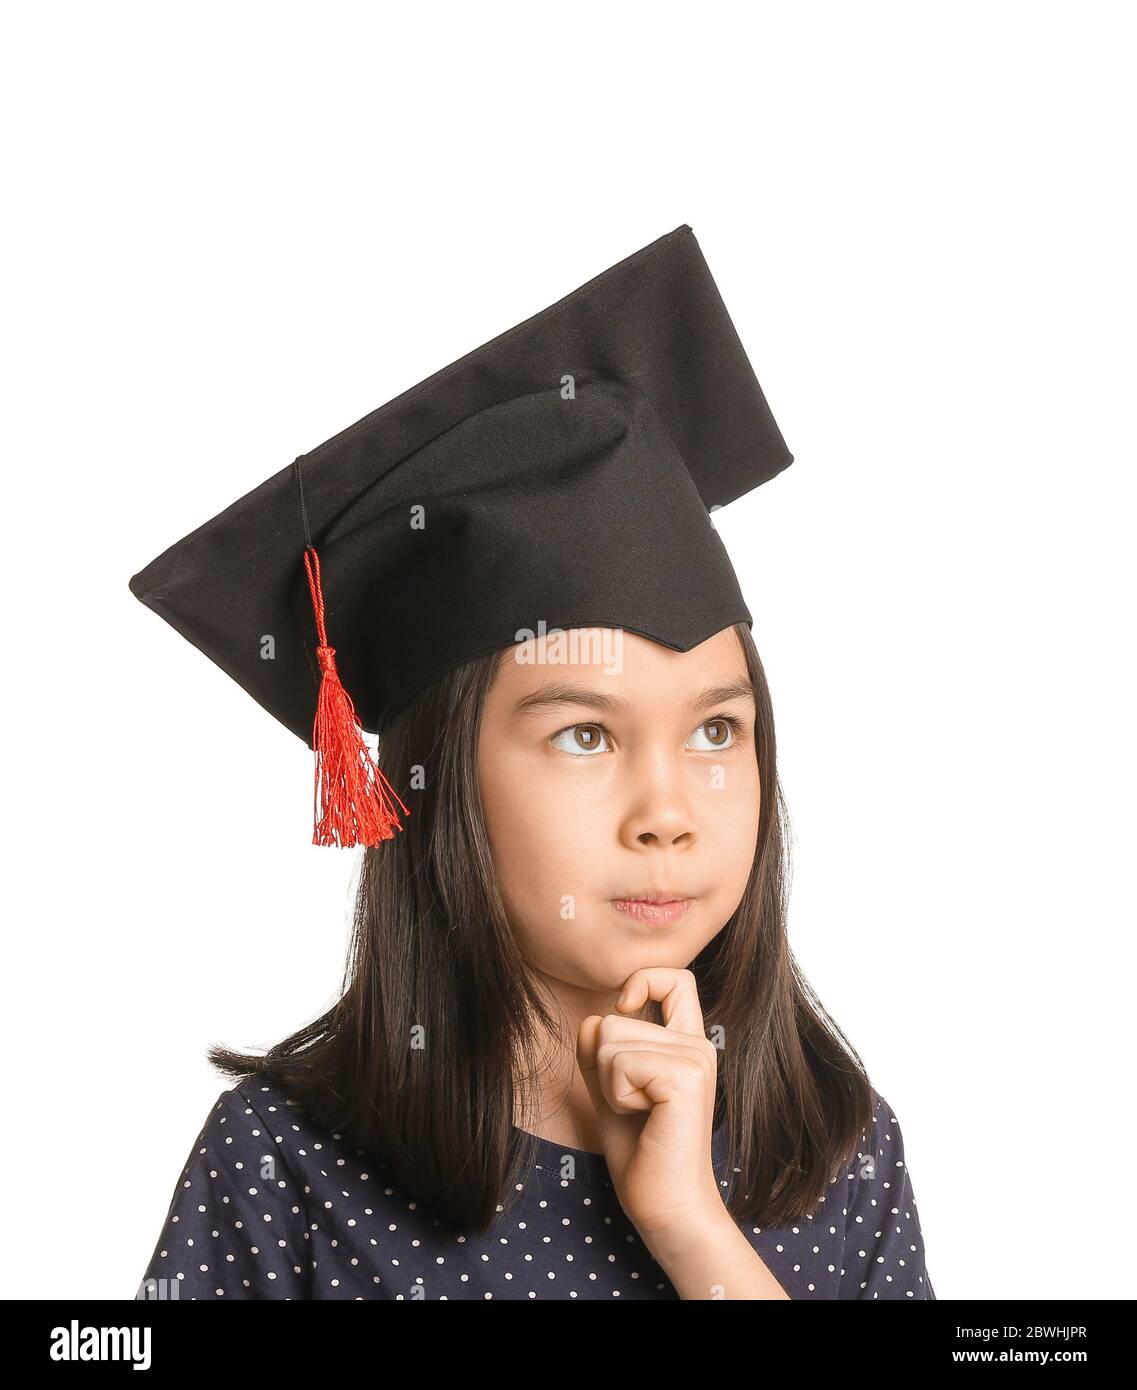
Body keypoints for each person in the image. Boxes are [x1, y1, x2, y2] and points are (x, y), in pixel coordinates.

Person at [129, 225, 934, 1300]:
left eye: (715, 731)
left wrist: (696, 1231)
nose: (669, 813)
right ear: (440, 782)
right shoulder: (287, 1163)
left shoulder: (836, 1154)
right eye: (585, 735)